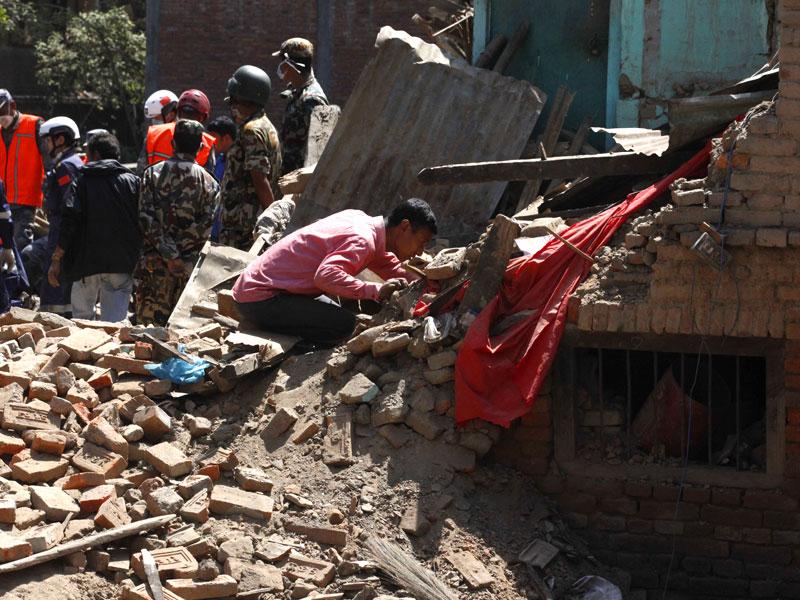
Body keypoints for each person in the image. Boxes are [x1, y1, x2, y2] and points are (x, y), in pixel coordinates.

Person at [232, 198, 437, 346]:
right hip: (260, 297)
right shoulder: (363, 240)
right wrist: (375, 290)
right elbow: (325, 276)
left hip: (266, 287)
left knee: (343, 317)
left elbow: (390, 266)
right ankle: (295, 350)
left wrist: (428, 285)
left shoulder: (362, 221)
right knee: (344, 325)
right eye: (421, 242)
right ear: (404, 227)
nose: (420, 251)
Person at [47, 132, 140, 322]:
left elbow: (69, 222)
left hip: (85, 265)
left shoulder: (81, 182)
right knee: (115, 323)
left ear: (96, 154)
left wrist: (57, 259)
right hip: (121, 263)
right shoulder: (133, 182)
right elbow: (144, 221)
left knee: (82, 321)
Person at [135, 120, 219, 326]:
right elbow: (204, 228)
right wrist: (178, 258)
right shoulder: (210, 183)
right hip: (187, 270)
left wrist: (170, 255)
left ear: (172, 144)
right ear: (201, 147)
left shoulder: (152, 174)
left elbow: (146, 218)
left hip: (155, 267)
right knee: (181, 332)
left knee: (147, 332)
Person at [218, 65, 281, 251]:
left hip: (242, 228)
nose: (232, 106)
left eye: (234, 100)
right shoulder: (266, 125)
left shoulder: (251, 131)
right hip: (247, 223)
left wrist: (273, 219)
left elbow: (259, 178)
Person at [39, 116, 83, 315]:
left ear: (60, 140)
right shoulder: (67, 163)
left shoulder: (65, 166)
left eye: (48, 140)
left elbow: (69, 205)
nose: (46, 145)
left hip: (61, 229)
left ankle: (56, 320)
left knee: (56, 280)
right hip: (61, 227)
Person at [273, 37, 329, 175]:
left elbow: (320, 151)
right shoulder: (297, 93)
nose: (282, 69)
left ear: (292, 65)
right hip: (289, 177)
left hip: (302, 181)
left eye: (284, 64)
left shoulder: (313, 100)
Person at [0, 89, 47, 250]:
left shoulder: (34, 125)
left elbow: (49, 163)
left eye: (1, 110)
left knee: (20, 247)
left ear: (12, 106)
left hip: (25, 202)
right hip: (2, 202)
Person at [138, 89, 216, 175]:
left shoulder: (155, 134)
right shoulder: (207, 144)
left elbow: (140, 173)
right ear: (203, 117)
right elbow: (209, 179)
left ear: (178, 111)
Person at [205, 115, 237, 242]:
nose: (211, 142)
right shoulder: (220, 159)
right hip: (215, 227)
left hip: (229, 229)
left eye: (214, 138)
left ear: (227, 138)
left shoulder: (237, 163)